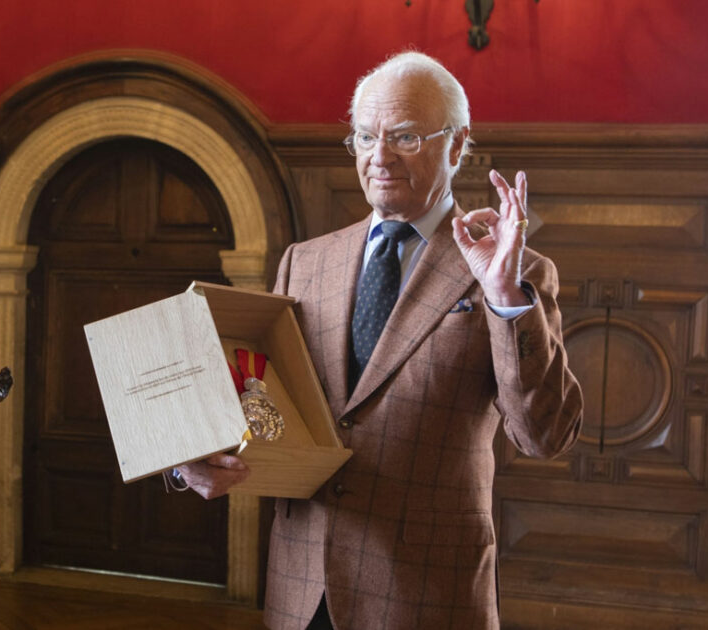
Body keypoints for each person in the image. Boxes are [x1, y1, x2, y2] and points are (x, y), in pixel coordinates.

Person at [173, 52, 583, 629]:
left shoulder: (515, 272)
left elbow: (544, 435)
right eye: (365, 137)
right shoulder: (304, 262)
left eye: (405, 136)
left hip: (426, 592)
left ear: (456, 144)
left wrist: (503, 297)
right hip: (302, 590)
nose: (379, 156)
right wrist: (192, 455)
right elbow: (261, 404)